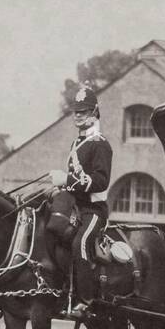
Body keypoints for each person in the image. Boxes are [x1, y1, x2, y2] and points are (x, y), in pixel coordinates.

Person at [47, 84, 112, 305]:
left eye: (82, 112)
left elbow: (101, 182)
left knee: (81, 243)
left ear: (94, 113)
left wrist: (67, 180)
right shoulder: (78, 143)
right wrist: (61, 189)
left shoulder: (100, 145)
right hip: (75, 207)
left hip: (93, 210)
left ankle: (86, 301)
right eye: (75, 111)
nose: (77, 116)